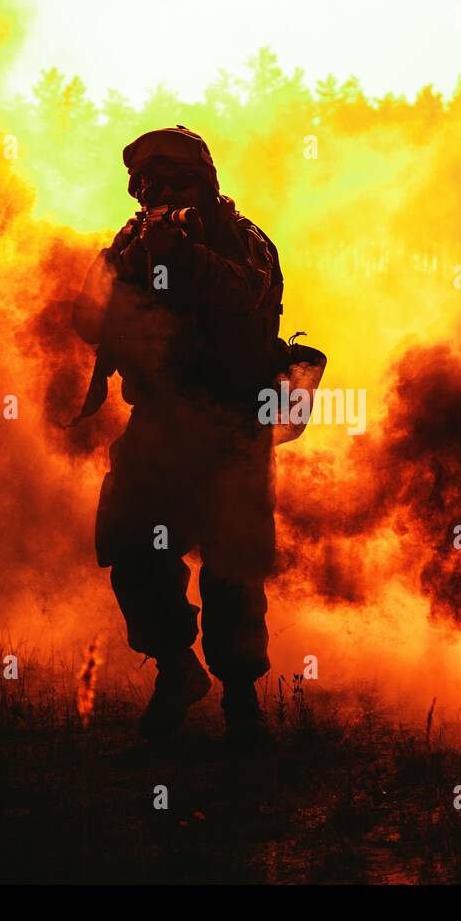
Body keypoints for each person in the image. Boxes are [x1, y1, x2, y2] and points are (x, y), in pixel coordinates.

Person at [73, 126, 285, 741]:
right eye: (149, 185)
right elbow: (87, 318)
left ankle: (242, 701)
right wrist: (127, 270)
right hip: (160, 424)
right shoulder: (131, 242)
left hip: (232, 428)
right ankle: (176, 669)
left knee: (233, 564)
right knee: (130, 545)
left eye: (176, 182)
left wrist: (183, 255)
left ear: (205, 183)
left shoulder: (241, 240)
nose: (160, 194)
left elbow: (248, 297)